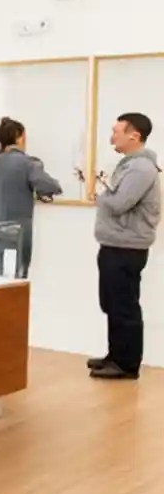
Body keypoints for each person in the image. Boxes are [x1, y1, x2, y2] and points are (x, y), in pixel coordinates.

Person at [89, 112, 160, 380]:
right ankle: (115, 356)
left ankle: (127, 364)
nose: (111, 138)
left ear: (134, 135)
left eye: (116, 132)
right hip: (115, 245)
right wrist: (107, 194)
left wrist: (100, 194)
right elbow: (116, 198)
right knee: (112, 302)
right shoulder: (129, 166)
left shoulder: (141, 168)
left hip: (126, 249)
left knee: (124, 305)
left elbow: (119, 203)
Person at [0, 117, 62, 278]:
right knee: (15, 288)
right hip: (15, 240)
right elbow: (52, 187)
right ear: (19, 137)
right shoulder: (28, 164)